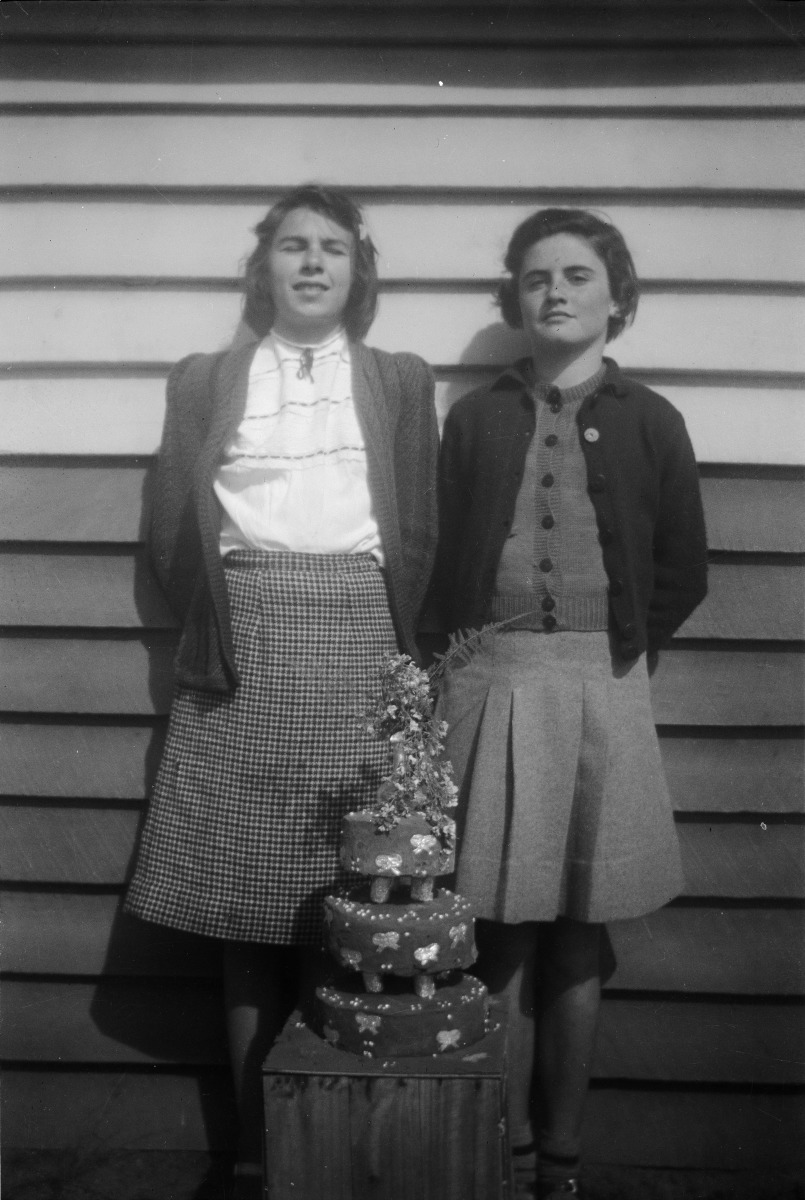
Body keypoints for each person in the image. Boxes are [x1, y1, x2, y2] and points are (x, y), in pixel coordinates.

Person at [125, 185, 439, 1197]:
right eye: (293, 247)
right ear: (264, 269)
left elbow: (421, 527)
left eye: (333, 249)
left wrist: (394, 652)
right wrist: (225, 621)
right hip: (242, 648)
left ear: (359, 272)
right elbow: (174, 525)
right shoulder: (208, 379)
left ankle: (331, 1150)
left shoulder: (395, 381)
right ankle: (259, 1151)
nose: (311, 264)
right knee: (240, 905)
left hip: (360, 643)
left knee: (344, 902)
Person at [432, 208, 707, 1199]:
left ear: (615, 299)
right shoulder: (473, 417)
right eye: (537, 276)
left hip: (603, 685)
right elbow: (438, 553)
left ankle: (561, 1157)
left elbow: (682, 566)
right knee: (498, 926)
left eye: (578, 275)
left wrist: (619, 651)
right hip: (493, 686)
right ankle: (495, 1148)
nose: (555, 290)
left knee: (580, 931)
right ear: (515, 299)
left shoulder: (650, 420)